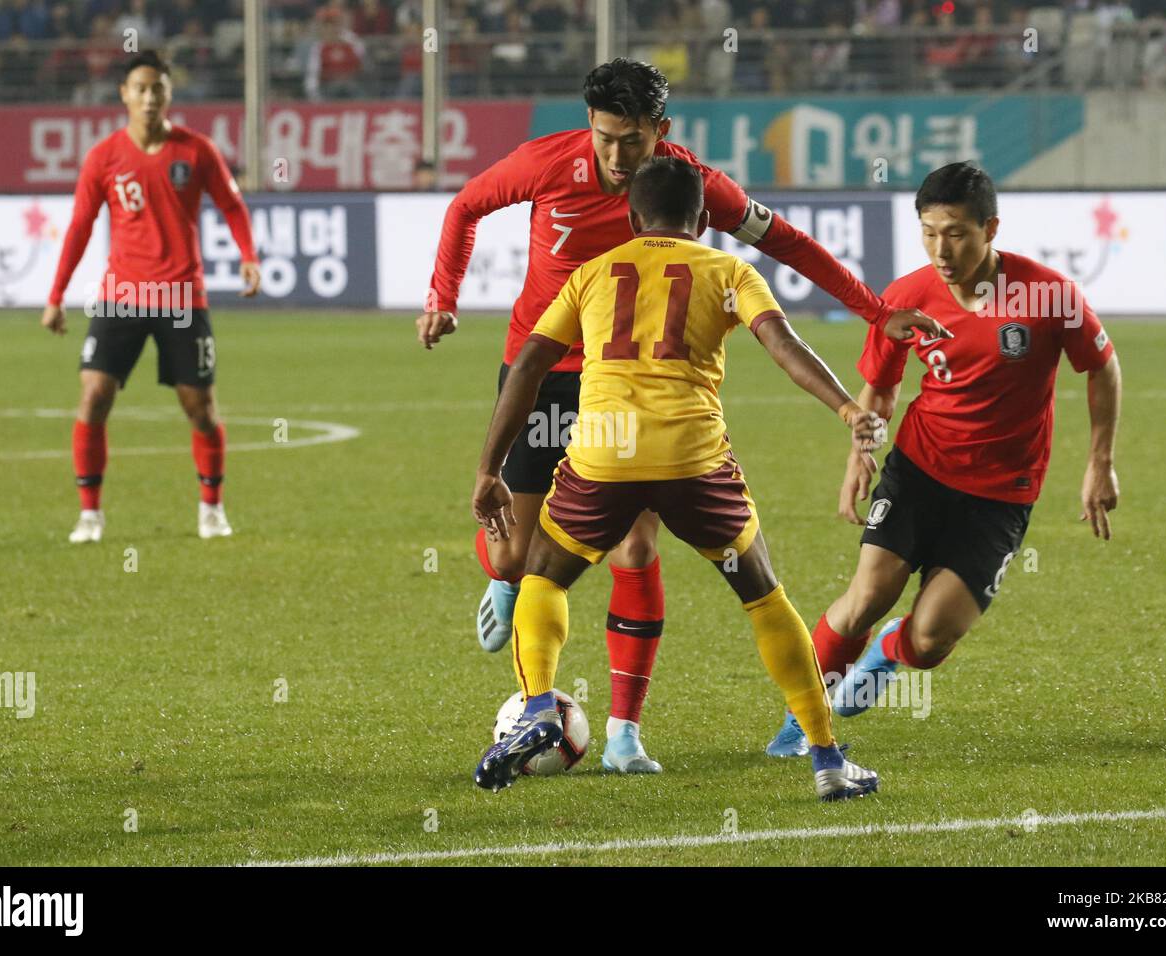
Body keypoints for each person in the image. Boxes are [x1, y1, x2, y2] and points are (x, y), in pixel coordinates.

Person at [417, 58, 947, 774]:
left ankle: (622, 733)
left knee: (637, 547)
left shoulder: (690, 183)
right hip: (543, 375)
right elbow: (464, 208)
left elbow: (785, 240)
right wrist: (442, 295)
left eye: (631, 141)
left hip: (631, 393)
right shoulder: (545, 163)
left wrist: (878, 311)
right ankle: (505, 579)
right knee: (515, 552)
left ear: (659, 133)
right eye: (604, 138)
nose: (615, 156)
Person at [470, 157, 889, 800]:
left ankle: (534, 712)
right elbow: (784, 345)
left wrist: (490, 467)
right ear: (701, 220)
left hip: (604, 454)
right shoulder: (727, 269)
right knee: (765, 597)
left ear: (633, 218)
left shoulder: (591, 273)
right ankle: (827, 758)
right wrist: (848, 409)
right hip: (693, 459)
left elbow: (528, 363)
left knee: (542, 578)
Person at [765, 162, 1122, 757]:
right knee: (863, 599)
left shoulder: (1048, 295)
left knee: (929, 642)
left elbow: (1102, 367)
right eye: (929, 232)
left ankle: (889, 652)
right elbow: (880, 385)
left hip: (1001, 494)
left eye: (955, 232)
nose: (941, 248)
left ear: (991, 228)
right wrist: (861, 451)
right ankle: (804, 719)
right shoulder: (906, 296)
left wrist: (1099, 461)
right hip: (919, 469)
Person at [42, 50, 261, 543]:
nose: (148, 98)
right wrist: (56, 295)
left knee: (200, 407)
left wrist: (250, 255)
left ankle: (211, 508)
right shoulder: (103, 157)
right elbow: (79, 227)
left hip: (183, 297)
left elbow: (232, 204)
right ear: (124, 95)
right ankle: (90, 514)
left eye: (157, 89)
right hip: (121, 296)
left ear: (168, 94)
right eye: (139, 88)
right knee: (94, 395)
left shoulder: (196, 150)